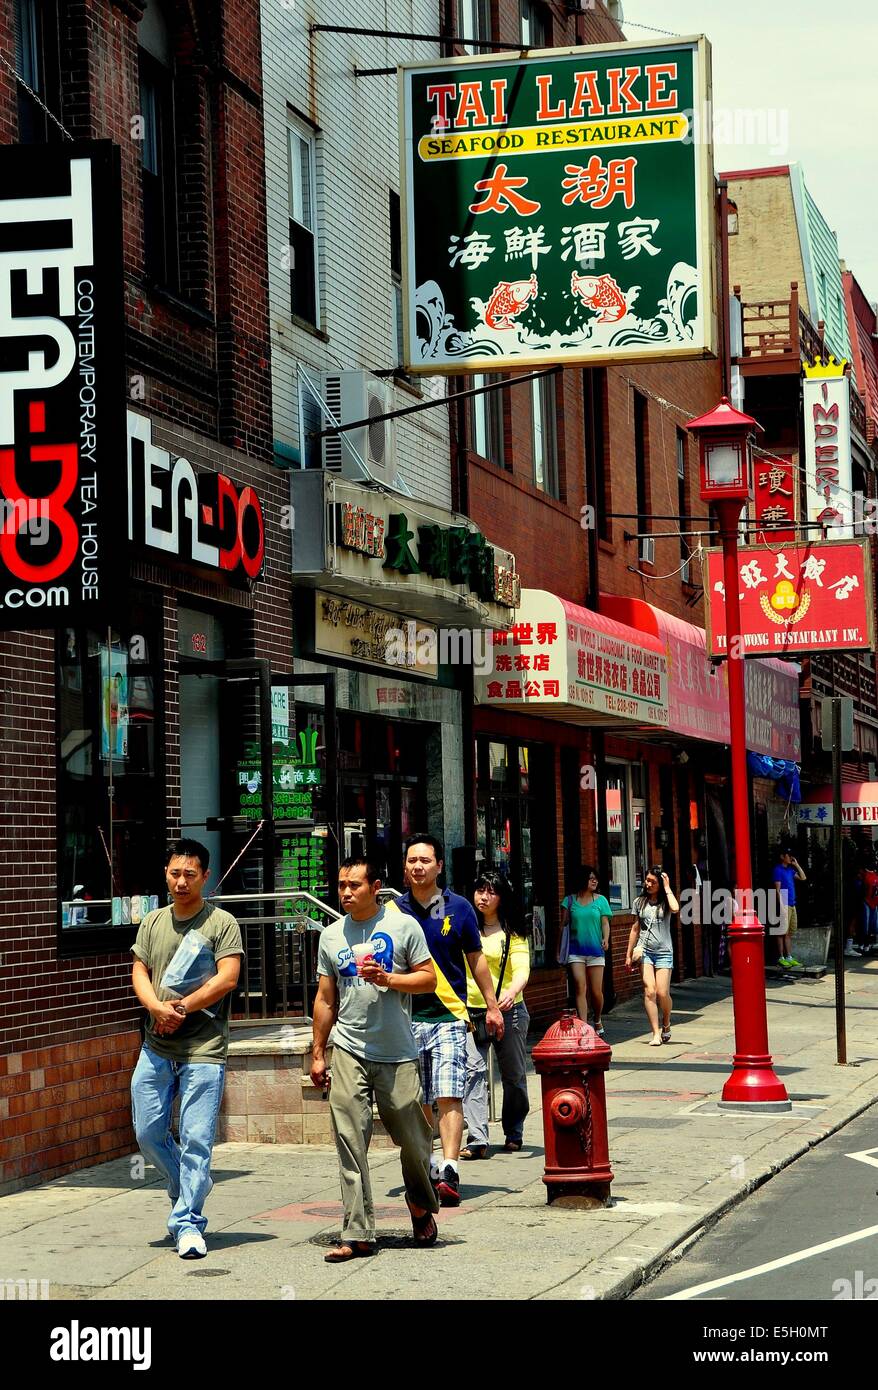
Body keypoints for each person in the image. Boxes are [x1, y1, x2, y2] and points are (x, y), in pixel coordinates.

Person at [311, 857, 440, 1261]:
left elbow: (428, 978)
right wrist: (318, 1052)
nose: (346, 893)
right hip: (349, 1049)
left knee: (415, 1140)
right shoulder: (331, 936)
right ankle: (357, 1231)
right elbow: (325, 998)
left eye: (354, 885)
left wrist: (389, 979)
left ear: (376, 886)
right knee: (350, 1141)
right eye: (341, 886)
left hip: (398, 1052)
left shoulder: (403, 926)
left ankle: (420, 1201)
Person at [130, 839, 244, 1259]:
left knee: (197, 1139)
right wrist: (155, 1007)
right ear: (166, 873)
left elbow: (227, 977)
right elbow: (139, 970)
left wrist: (180, 1007)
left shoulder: (221, 922)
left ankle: (188, 1223)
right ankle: (187, 1184)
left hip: (204, 1049)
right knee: (147, 1132)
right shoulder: (153, 921)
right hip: (156, 1044)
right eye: (175, 874)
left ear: (205, 877)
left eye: (190, 875)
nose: (181, 882)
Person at [395, 834, 504, 1208]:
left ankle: (451, 1167)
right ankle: (427, 1164)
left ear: (439, 865)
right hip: (407, 1018)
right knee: (418, 1099)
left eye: (425, 860)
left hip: (449, 1017)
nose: (418, 866)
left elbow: (476, 960)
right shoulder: (395, 912)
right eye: (412, 860)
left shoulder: (459, 908)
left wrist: (491, 1005)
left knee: (448, 1093)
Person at [461, 870, 531, 1160]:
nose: (484, 897)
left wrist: (511, 992)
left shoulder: (512, 933)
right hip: (471, 1012)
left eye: (491, 892)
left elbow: (522, 969)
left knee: (513, 1075)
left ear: (502, 897)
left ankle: (513, 1130)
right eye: (479, 891)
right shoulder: (464, 929)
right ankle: (477, 1137)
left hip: (509, 1011)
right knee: (472, 1073)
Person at [625, 867, 680, 1047]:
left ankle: (666, 1022)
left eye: (653, 881)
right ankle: (655, 1033)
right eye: (647, 880)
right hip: (645, 951)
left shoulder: (665, 902)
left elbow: (675, 907)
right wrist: (628, 954)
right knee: (650, 991)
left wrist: (667, 887)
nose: (648, 884)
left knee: (662, 992)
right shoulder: (639, 902)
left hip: (664, 952)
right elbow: (635, 929)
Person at [560, 865, 612, 1036]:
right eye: (590, 878)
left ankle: (597, 1019)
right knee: (580, 987)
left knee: (596, 991)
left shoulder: (601, 900)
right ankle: (583, 1025)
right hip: (576, 951)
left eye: (595, 878)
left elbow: (605, 922)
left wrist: (605, 938)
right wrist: (558, 948)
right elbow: (564, 926)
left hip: (596, 951)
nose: (594, 881)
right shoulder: (569, 901)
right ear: (582, 880)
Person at [773, 845, 806, 968]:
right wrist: (781, 905)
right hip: (784, 901)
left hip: (792, 902)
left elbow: (803, 877)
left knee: (789, 932)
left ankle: (789, 956)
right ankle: (781, 956)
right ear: (782, 857)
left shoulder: (790, 870)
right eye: (788, 855)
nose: (790, 857)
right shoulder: (778, 870)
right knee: (782, 931)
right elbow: (777, 889)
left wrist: (796, 864)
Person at [856, 849, 878, 956]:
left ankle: (867, 944)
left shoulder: (875, 874)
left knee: (872, 924)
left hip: (874, 901)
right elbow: (860, 888)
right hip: (866, 901)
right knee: (866, 924)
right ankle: (863, 944)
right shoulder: (864, 874)